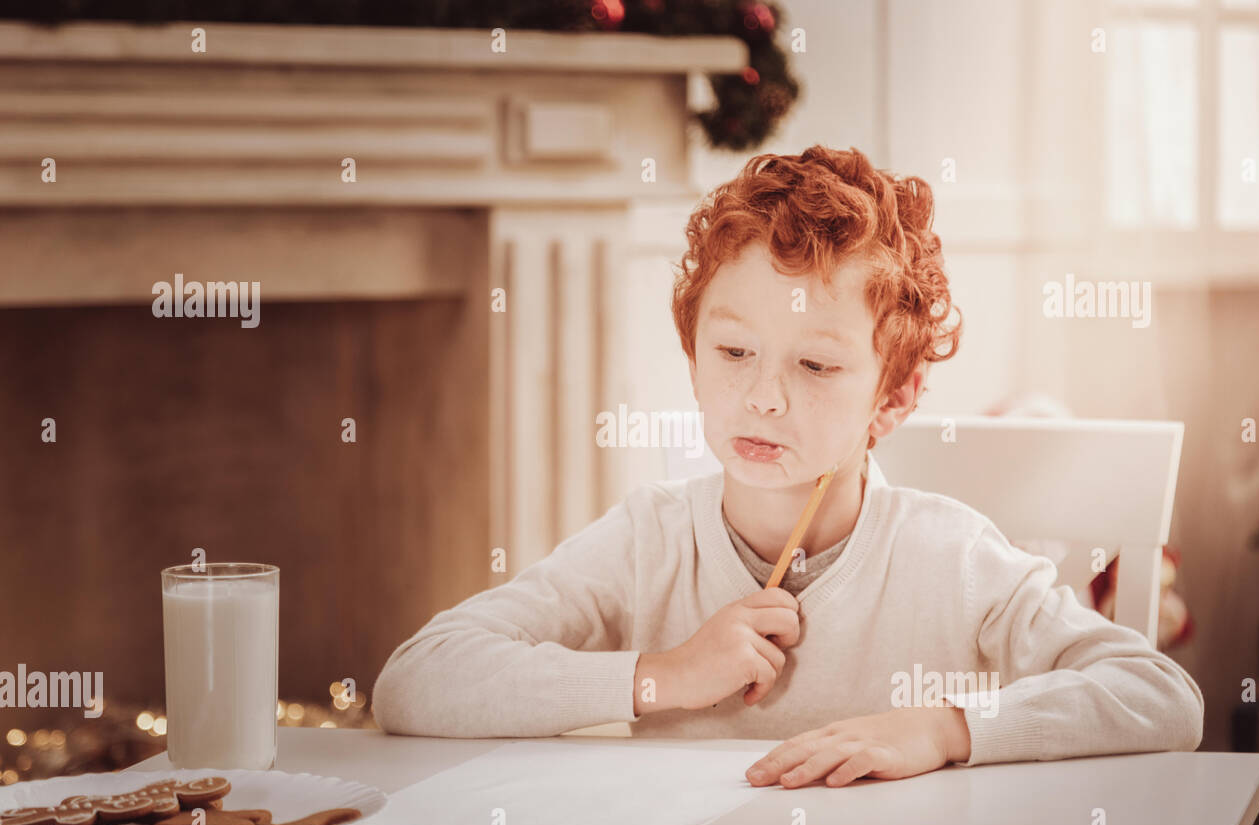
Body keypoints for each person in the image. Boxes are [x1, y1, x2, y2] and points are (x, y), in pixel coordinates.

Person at [372, 146, 1203, 789]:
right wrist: (665, 677)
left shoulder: (954, 561)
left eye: (816, 367)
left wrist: (942, 729)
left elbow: (1158, 695)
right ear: (692, 356)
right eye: (733, 351)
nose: (762, 398)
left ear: (895, 398)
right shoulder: (647, 543)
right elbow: (415, 682)